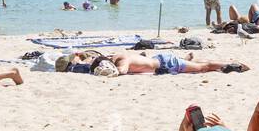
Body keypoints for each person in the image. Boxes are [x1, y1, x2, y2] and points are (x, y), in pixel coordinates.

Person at [70, 51, 249, 75]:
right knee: (198, 65)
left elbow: (121, 72)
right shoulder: (117, 54)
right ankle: (187, 60)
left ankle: (234, 65)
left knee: (204, 68)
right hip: (162, 60)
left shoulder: (122, 60)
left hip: (166, 63)